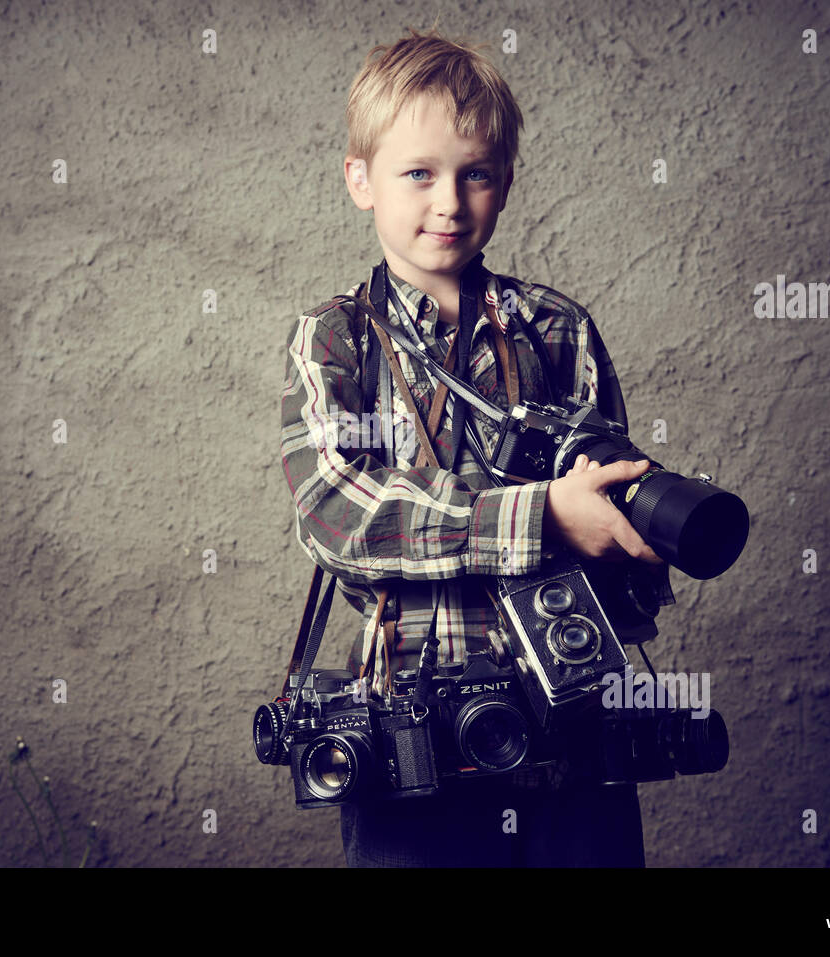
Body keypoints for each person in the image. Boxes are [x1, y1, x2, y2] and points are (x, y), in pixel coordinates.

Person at [279, 28, 667, 867]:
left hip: (572, 734)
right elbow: (339, 515)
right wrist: (544, 518)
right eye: (417, 172)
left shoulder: (557, 327)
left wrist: (638, 545)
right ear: (360, 181)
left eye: (475, 173)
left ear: (506, 184)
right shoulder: (335, 338)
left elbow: (611, 498)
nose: (448, 201)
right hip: (412, 742)